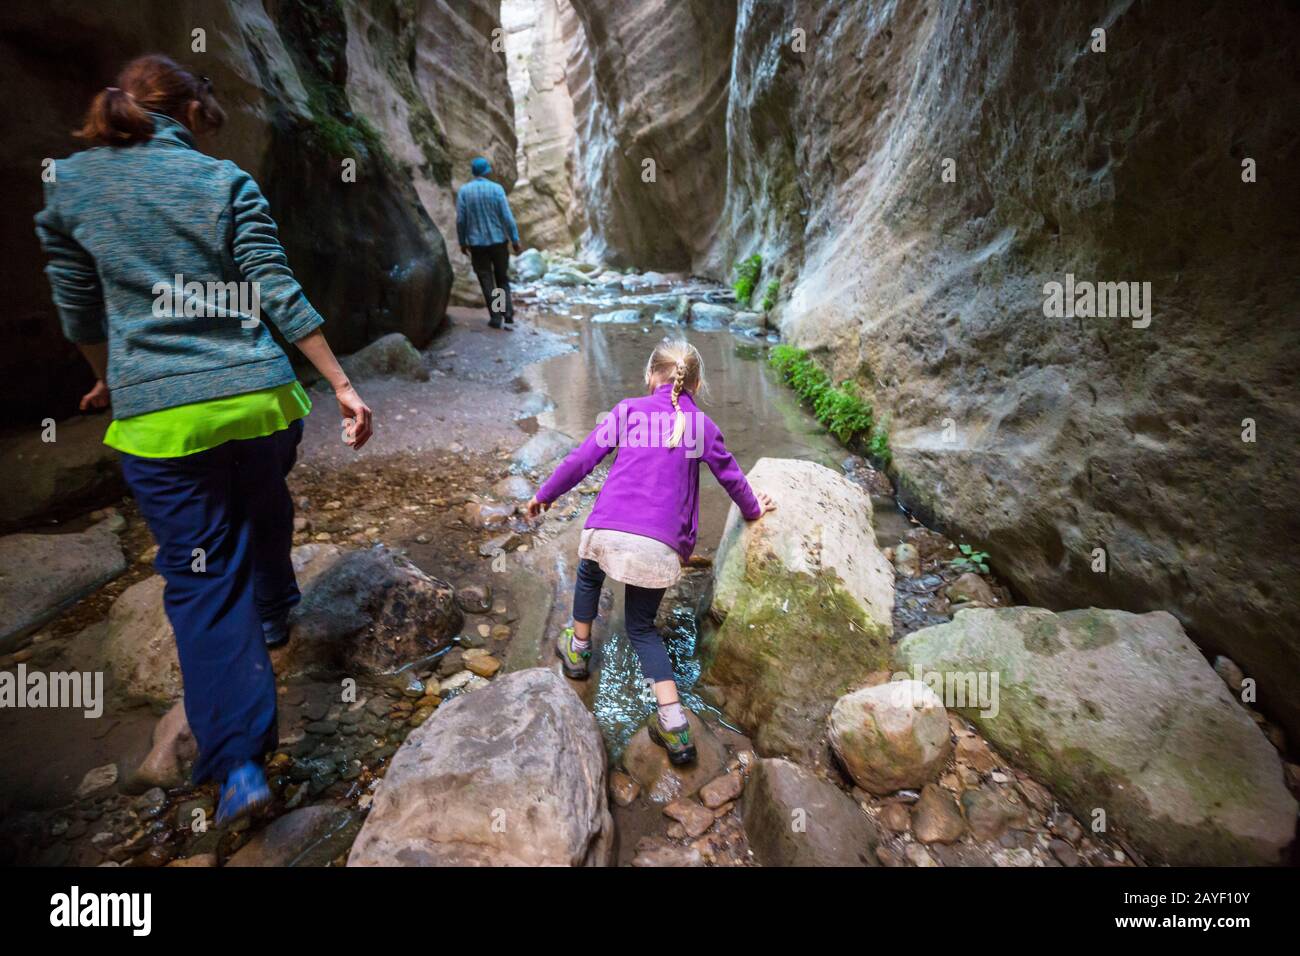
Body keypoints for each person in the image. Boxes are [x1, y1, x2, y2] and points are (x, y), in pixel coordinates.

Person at [34, 54, 373, 826]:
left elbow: (78, 305)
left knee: (202, 579)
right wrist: (343, 385)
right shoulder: (222, 183)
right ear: (190, 115)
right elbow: (273, 286)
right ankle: (280, 604)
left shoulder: (71, 184)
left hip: (160, 420)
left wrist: (110, 375)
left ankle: (242, 765)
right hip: (258, 401)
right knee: (262, 499)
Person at [527, 339, 775, 765]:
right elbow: (732, 478)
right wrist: (754, 509)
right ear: (696, 384)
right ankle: (674, 723)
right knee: (642, 627)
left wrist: (544, 495)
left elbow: (581, 459)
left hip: (607, 529)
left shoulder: (627, 411)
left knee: (589, 573)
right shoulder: (700, 428)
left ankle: (579, 650)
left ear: (650, 376)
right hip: (658, 545)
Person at [455, 156, 522, 329]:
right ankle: (506, 313)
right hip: (498, 241)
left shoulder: (464, 191)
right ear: (487, 171)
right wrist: (514, 239)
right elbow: (507, 217)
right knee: (501, 278)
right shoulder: (497, 189)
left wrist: (462, 241)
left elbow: (461, 220)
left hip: (477, 245)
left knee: (486, 279)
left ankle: (496, 317)